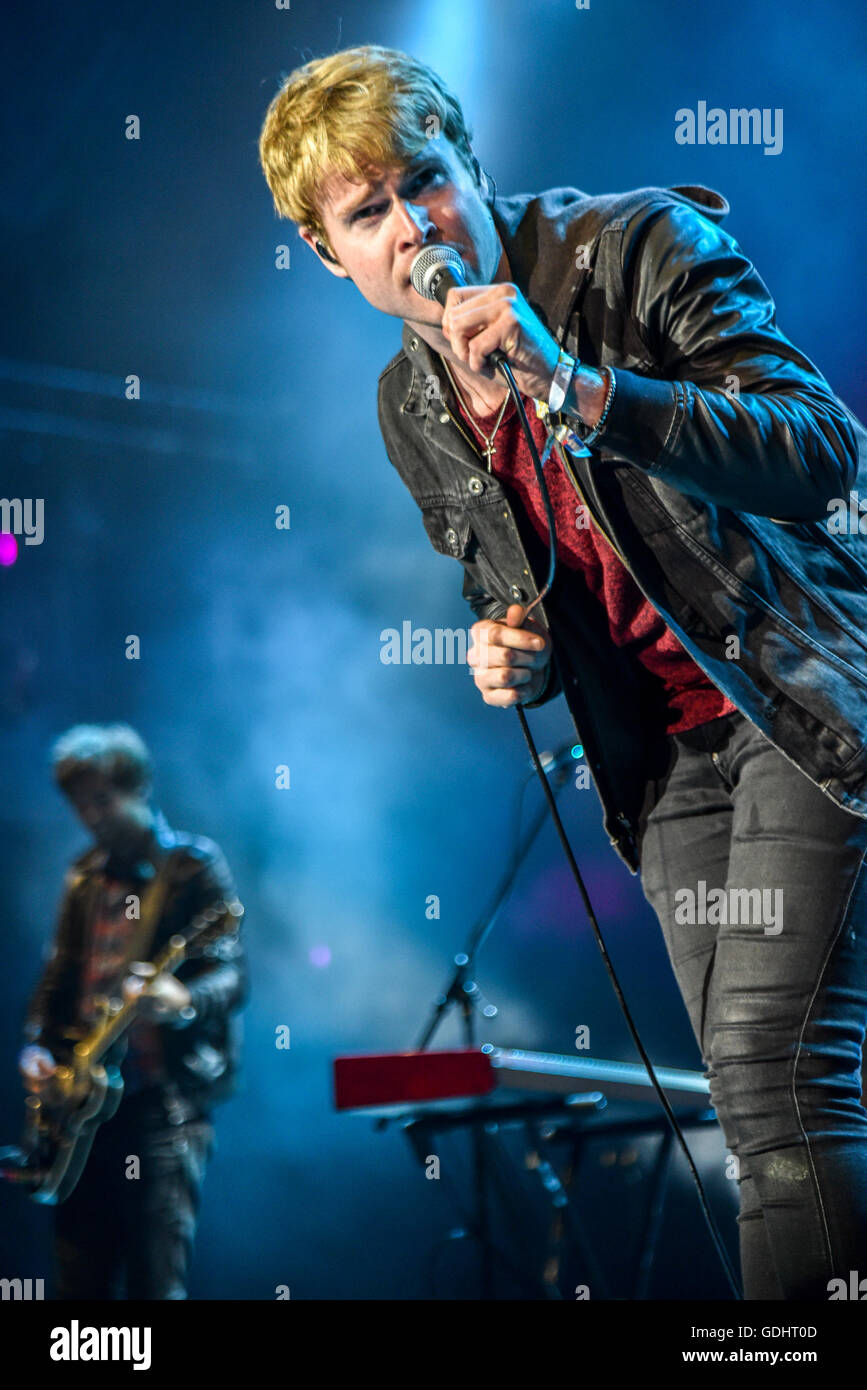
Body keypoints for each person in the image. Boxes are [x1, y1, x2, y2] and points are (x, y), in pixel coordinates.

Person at [258, 45, 867, 1301]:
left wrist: (583, 388)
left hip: (795, 694)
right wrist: (509, 651)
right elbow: (515, 587)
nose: (412, 226)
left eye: (424, 181)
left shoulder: (636, 245)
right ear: (332, 258)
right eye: (366, 214)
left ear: (472, 165)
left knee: (777, 1064)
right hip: (666, 763)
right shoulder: (409, 404)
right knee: (759, 1114)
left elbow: (824, 455)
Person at [17, 723, 246, 1299]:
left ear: (138, 787)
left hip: (162, 1109)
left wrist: (185, 1000)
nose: (90, 817)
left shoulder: (193, 866)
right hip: (84, 1111)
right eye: (79, 805)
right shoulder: (83, 875)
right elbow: (56, 979)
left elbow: (233, 975)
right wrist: (37, 1046)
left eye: (101, 800)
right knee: (78, 1290)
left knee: (154, 1287)